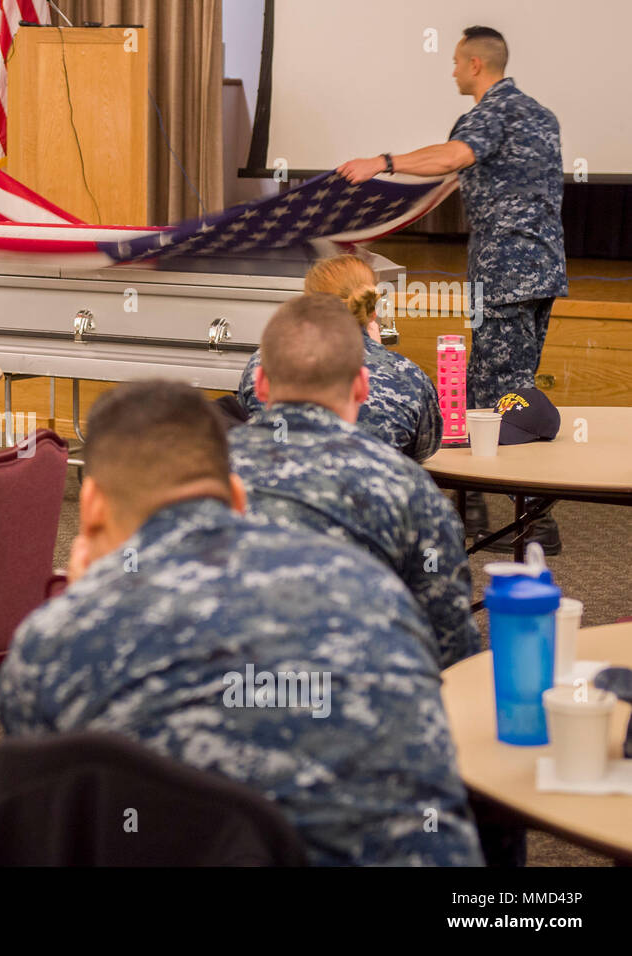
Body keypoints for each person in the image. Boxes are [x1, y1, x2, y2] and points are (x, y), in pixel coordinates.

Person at [0, 380, 482, 866]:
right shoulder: (378, 591)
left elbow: (46, 827)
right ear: (236, 495)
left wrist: (83, 603)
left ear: (93, 505)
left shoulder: (53, 643)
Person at [338, 25, 565, 549]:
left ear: (476, 66)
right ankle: (489, 510)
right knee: (517, 389)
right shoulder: (541, 116)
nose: (453, 71)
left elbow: (453, 158)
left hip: (504, 270)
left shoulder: (489, 113)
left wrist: (383, 163)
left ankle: (528, 523)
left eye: (457, 62)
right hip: (544, 267)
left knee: (495, 397)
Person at [228, 294, 477, 669]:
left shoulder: (202, 470)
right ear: (362, 386)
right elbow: (451, 644)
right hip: (366, 706)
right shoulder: (407, 487)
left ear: (260, 384)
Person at [238, 255, 442, 462]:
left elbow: (250, 425)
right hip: (372, 490)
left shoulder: (266, 360)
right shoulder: (409, 376)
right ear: (372, 311)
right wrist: (377, 354)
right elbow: (422, 452)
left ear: (307, 304)